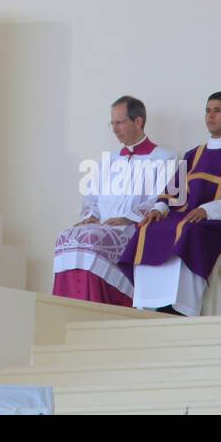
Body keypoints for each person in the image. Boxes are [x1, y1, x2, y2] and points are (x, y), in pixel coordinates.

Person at [119, 92, 221, 316]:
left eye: (217, 110)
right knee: (149, 227)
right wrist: (158, 209)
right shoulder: (194, 154)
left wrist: (207, 210)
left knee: (188, 231)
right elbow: (173, 190)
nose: (210, 116)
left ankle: (181, 309)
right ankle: (148, 306)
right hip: (188, 216)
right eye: (207, 110)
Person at [52, 97, 176, 305]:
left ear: (138, 122)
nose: (114, 129)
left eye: (119, 122)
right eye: (112, 123)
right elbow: (91, 196)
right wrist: (91, 216)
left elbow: (162, 200)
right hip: (101, 226)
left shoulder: (165, 158)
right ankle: (67, 308)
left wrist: (127, 218)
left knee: (92, 239)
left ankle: (96, 307)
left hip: (131, 230)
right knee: (65, 237)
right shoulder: (109, 159)